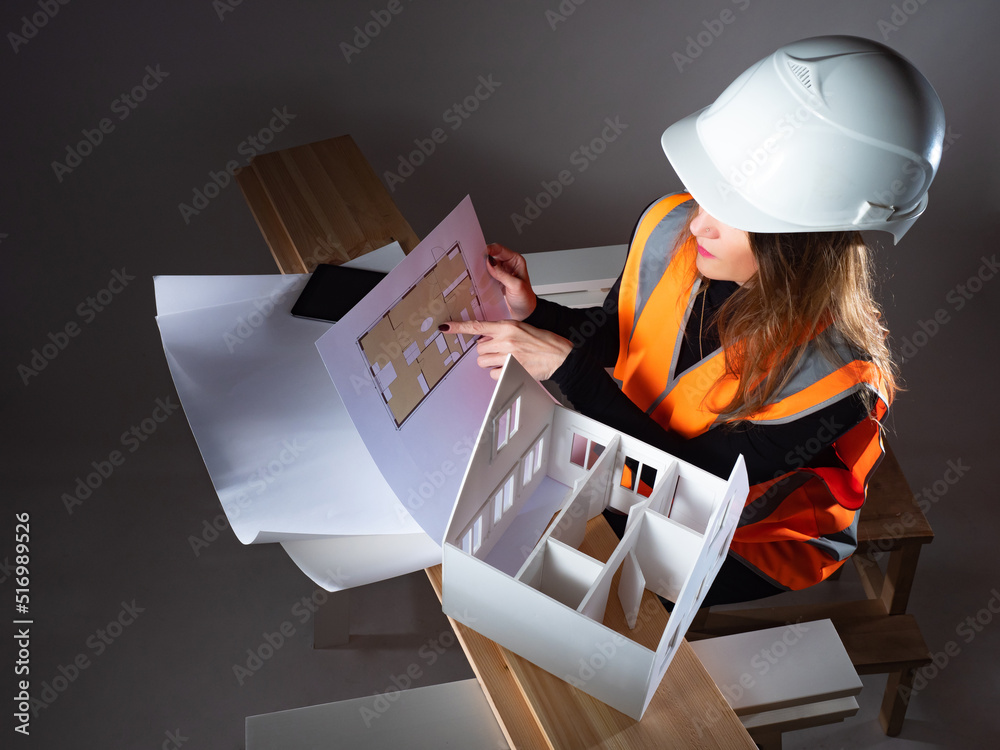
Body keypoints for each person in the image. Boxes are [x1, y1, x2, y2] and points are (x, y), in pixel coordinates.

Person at [442, 36, 945, 605]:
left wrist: (574, 374)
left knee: (581, 598)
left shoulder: (833, 385)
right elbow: (622, 331)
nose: (696, 223)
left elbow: (696, 492)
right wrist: (536, 312)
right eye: (708, 192)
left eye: (727, 211)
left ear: (800, 241)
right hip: (632, 452)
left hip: (745, 540)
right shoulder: (677, 227)